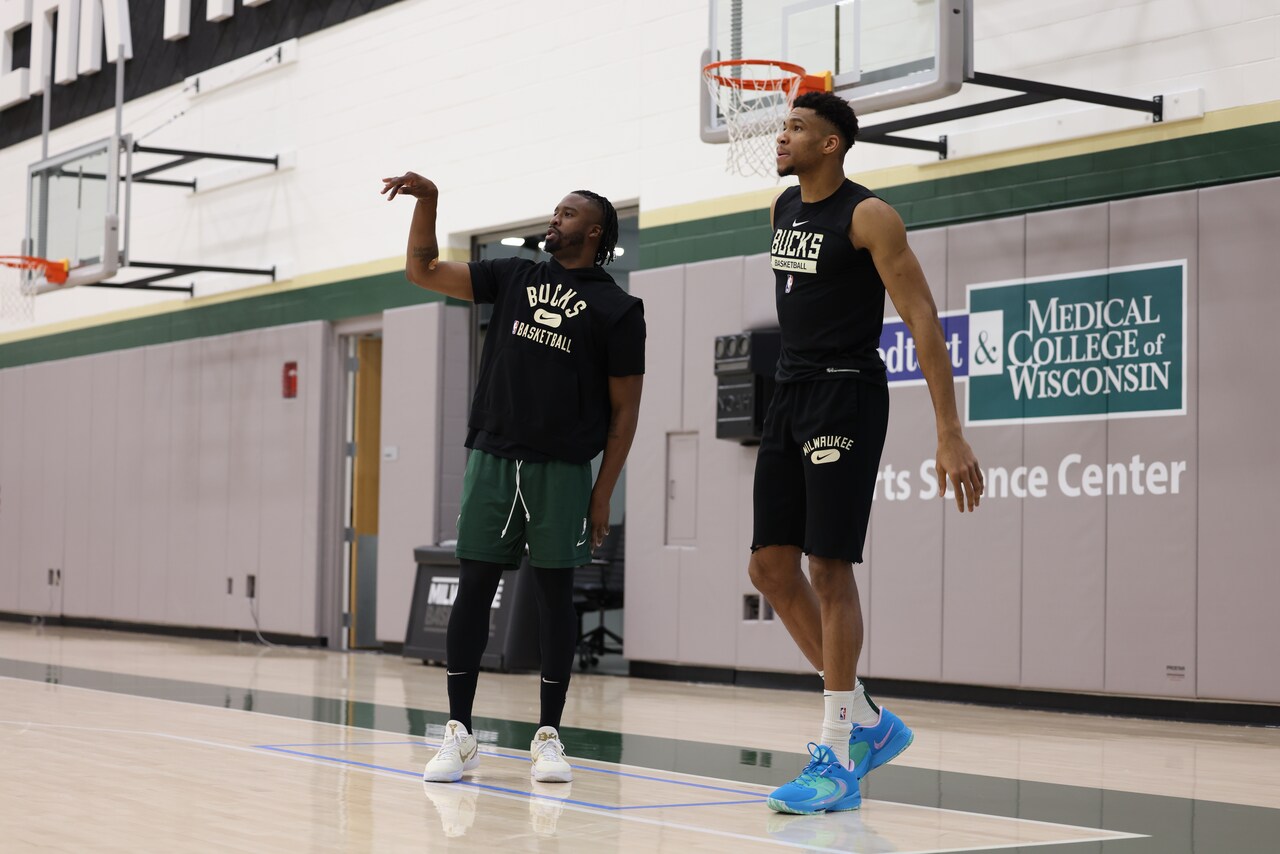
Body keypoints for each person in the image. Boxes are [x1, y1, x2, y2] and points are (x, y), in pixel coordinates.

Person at [748, 92, 984, 815]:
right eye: (783, 126)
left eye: (794, 129)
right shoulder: (782, 208)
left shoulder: (869, 215)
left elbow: (921, 319)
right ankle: (868, 721)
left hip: (845, 393)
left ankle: (838, 749)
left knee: (828, 565)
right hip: (789, 393)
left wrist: (949, 430)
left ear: (831, 145)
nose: (780, 137)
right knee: (770, 567)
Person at [381, 173, 645, 785]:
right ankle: (458, 734)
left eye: (568, 213)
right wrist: (430, 202)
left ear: (595, 230)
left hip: (562, 469)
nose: (555, 218)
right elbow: (422, 270)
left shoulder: (618, 309)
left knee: (556, 599)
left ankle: (549, 738)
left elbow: (626, 411)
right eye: (555, 210)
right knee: (474, 590)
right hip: (494, 456)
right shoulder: (515, 273)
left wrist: (602, 493)